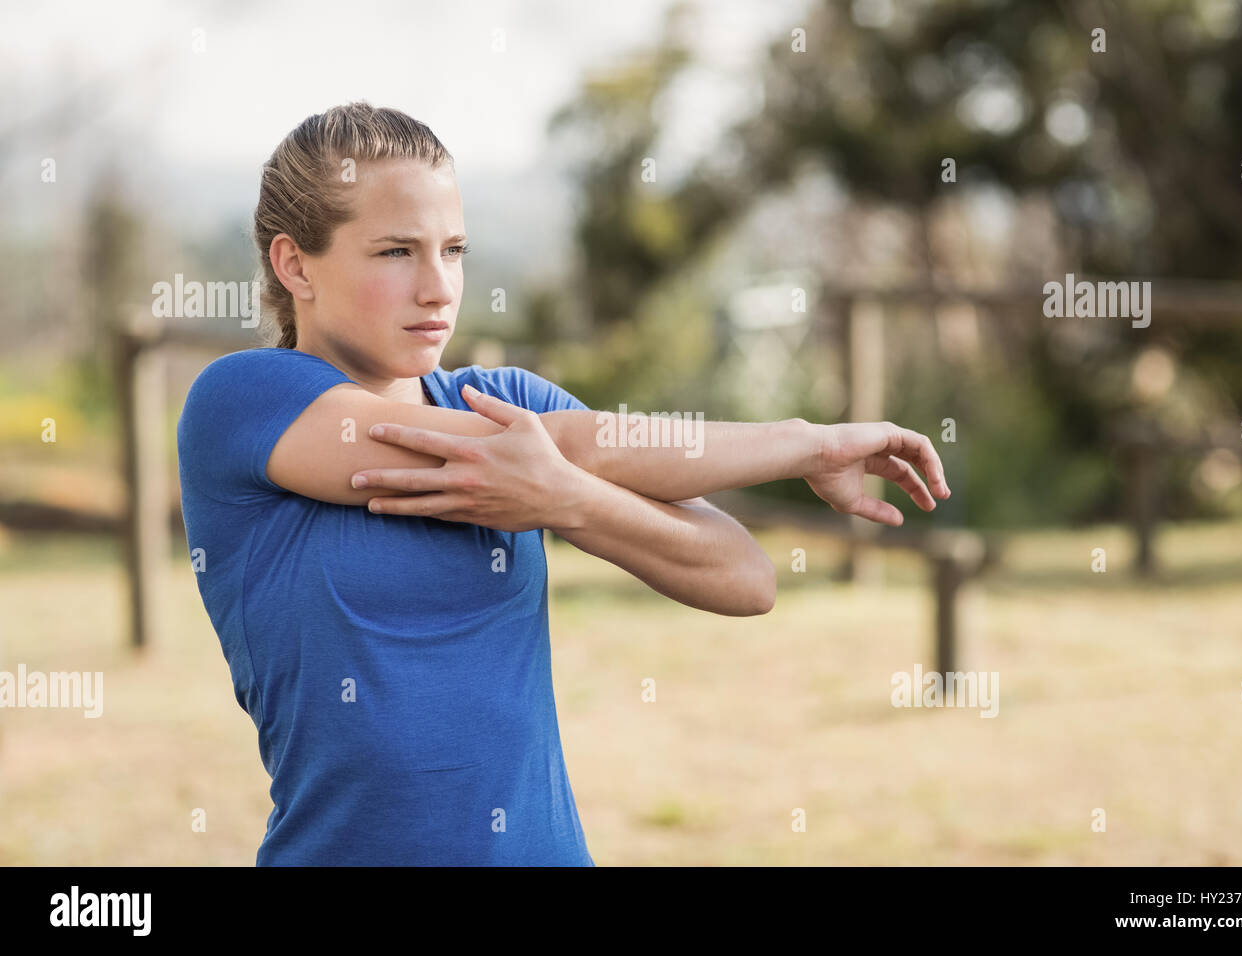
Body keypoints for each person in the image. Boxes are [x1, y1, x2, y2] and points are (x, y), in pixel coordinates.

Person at [177, 102, 949, 866]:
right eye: (394, 252)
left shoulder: (505, 400)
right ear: (293, 264)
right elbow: (579, 441)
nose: (439, 287)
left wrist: (568, 500)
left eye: (454, 249)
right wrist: (808, 446)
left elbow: (745, 577)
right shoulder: (243, 403)